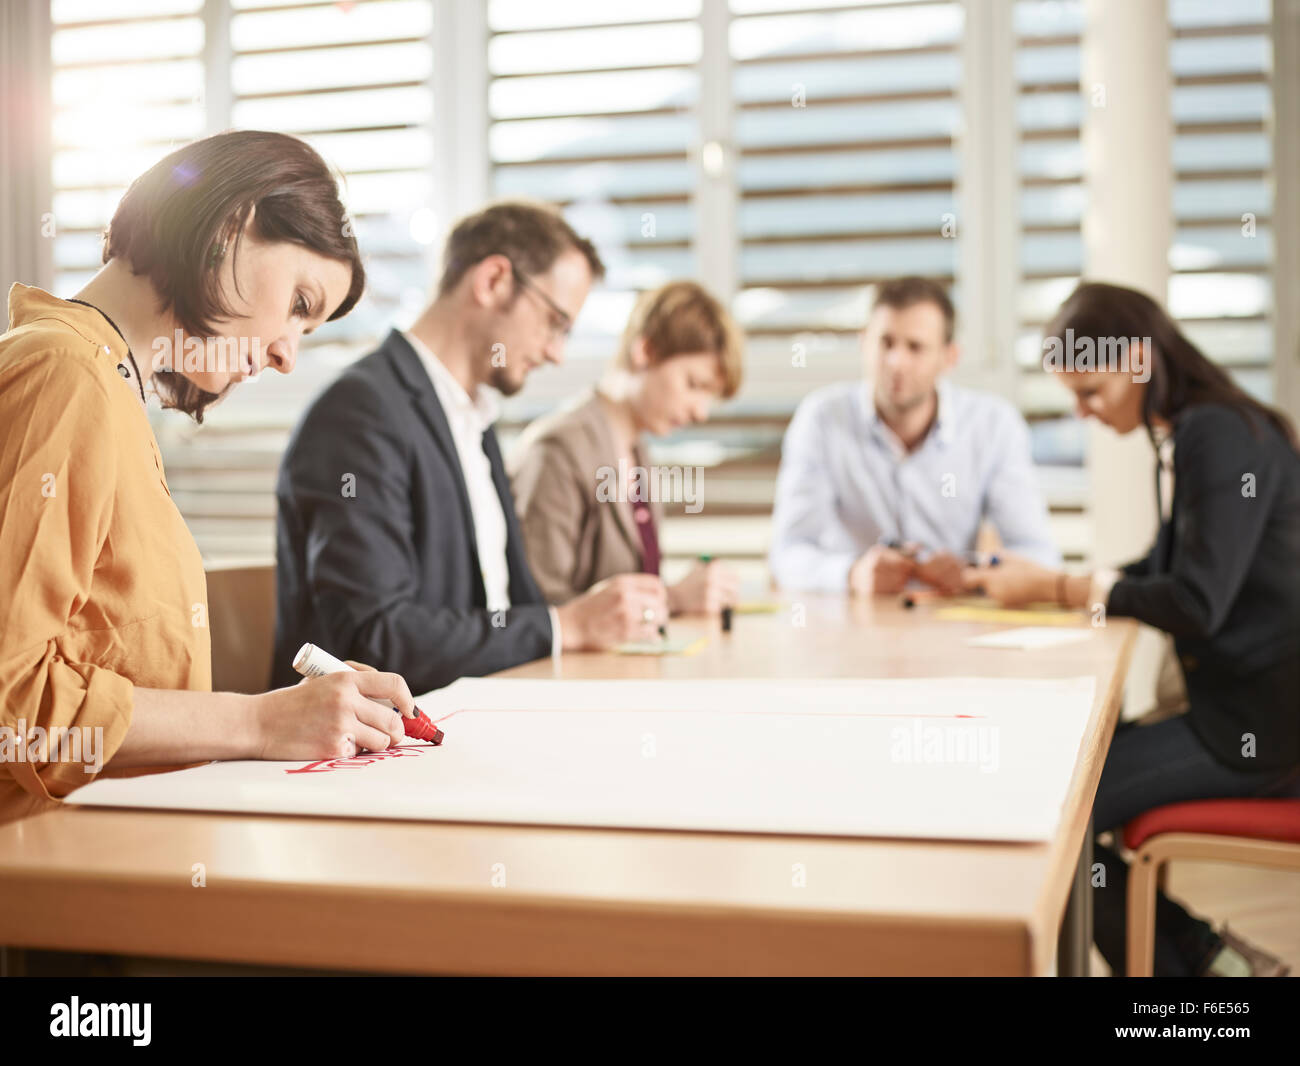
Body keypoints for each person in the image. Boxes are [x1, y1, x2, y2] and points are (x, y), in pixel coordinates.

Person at [0, 131, 421, 825]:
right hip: (53, 878)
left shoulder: (107, 388)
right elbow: (13, 701)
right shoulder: (64, 377)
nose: (288, 355)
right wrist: (258, 723)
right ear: (231, 225)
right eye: (300, 303)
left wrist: (296, 715)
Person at [964, 281, 1300, 976]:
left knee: (1054, 814)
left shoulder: (1217, 434)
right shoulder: (1202, 429)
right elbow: (1160, 566)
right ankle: (1215, 963)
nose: (1084, 413)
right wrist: (1049, 590)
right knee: (1064, 779)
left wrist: (1060, 587)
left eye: (1091, 392)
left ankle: (1194, 986)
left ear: (1139, 362)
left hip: (1260, 733)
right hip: (1239, 712)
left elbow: (1196, 601)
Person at [272, 201, 669, 695]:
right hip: (386, 745)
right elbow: (377, 640)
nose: (555, 352)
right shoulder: (361, 413)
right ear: (493, 281)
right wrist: (566, 626)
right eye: (555, 322)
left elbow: (506, 607)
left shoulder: (473, 418)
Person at [768, 276, 1058, 596]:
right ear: (864, 343)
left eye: (915, 347)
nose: (896, 362)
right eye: (886, 343)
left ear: (949, 357)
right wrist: (853, 573)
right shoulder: (821, 419)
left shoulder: (993, 425)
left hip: (952, 623)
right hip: (854, 621)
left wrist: (974, 569)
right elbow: (788, 553)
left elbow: (1039, 555)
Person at [508, 280, 744, 613]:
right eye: (693, 384)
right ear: (645, 351)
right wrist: (672, 599)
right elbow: (538, 610)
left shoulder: (638, 452)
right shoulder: (558, 450)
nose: (700, 412)